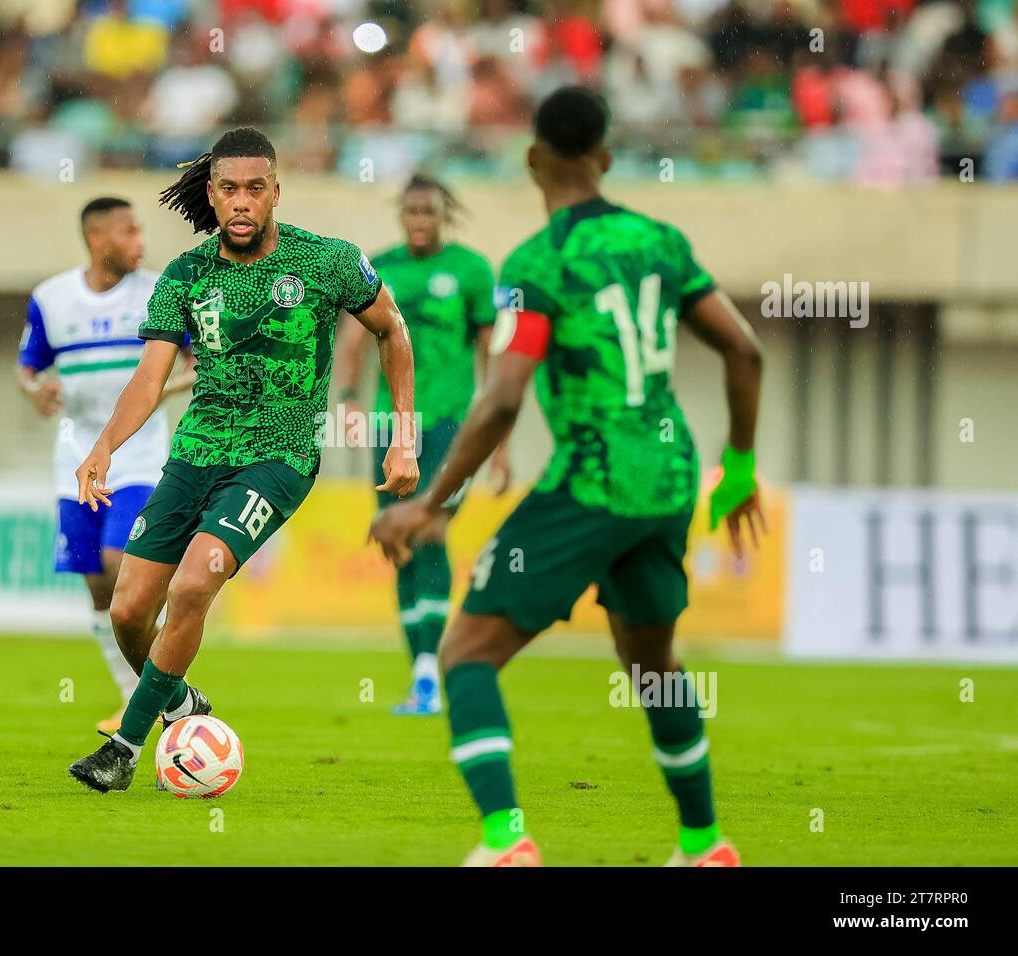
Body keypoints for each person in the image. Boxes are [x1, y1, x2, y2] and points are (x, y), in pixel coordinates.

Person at [370, 86, 766, 866]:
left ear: (532, 159)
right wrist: (742, 465)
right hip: (671, 478)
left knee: (466, 656)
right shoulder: (660, 240)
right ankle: (704, 842)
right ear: (607, 157)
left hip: (594, 480)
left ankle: (506, 841)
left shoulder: (536, 264)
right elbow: (745, 350)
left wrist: (432, 504)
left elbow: (504, 396)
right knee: (653, 665)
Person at [67, 127, 420, 793]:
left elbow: (391, 330)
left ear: (275, 193)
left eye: (255, 188)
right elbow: (149, 381)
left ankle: (124, 749)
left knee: (195, 584)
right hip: (195, 454)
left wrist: (405, 435)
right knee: (126, 611)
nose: (241, 201)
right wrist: (102, 447)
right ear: (212, 192)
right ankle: (179, 705)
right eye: (229, 188)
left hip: (276, 459)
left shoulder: (329, 262)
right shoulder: (186, 276)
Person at [18, 197, 193, 734]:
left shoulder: (159, 291)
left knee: (123, 565)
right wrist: (36, 391)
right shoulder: (51, 299)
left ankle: (164, 693)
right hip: (75, 456)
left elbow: (194, 364)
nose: (141, 242)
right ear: (98, 240)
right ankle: (138, 696)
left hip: (137, 454)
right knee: (96, 582)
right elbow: (27, 367)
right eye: (129, 232)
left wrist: (150, 394)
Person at [335, 173, 508, 716]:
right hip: (394, 425)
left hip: (452, 425)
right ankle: (424, 677)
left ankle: (432, 671)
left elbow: (492, 355)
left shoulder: (472, 271)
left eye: (428, 211)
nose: (419, 220)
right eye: (410, 211)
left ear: (444, 214)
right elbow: (353, 342)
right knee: (397, 541)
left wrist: (498, 435)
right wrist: (347, 403)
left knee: (428, 528)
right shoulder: (379, 266)